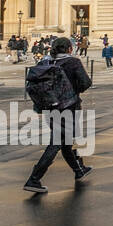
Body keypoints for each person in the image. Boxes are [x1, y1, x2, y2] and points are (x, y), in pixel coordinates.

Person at [23, 37, 94, 193]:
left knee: (65, 141)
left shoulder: (46, 63)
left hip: (49, 107)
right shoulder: (73, 62)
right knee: (57, 142)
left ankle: (79, 170)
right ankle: (34, 179)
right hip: (68, 107)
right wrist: (73, 90)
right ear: (69, 48)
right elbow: (86, 83)